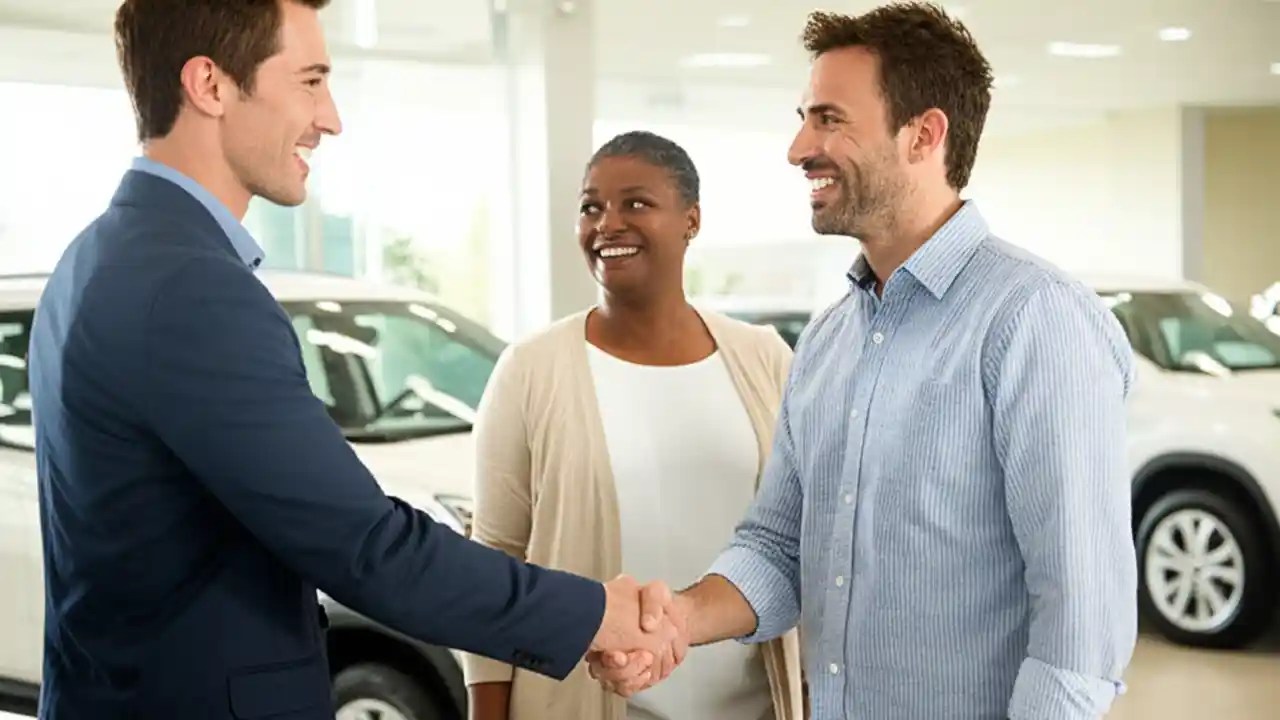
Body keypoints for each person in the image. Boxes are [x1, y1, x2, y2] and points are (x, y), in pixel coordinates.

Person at [27, 2, 678, 717]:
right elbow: (366, 547)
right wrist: (598, 615)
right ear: (210, 85)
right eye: (310, 81)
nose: (330, 117)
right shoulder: (190, 286)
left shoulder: (96, 257)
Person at [589, 4, 1138, 719]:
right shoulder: (827, 340)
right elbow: (779, 547)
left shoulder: (1035, 320)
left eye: (829, 119)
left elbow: (1080, 631)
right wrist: (678, 622)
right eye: (803, 117)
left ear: (924, 135)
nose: (797, 148)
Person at [461, 131, 806, 720]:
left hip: (753, 706)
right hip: (580, 702)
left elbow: (798, 541)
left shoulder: (765, 359)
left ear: (690, 219)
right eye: (591, 207)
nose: (607, 224)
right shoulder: (531, 368)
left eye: (636, 203)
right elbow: (496, 557)